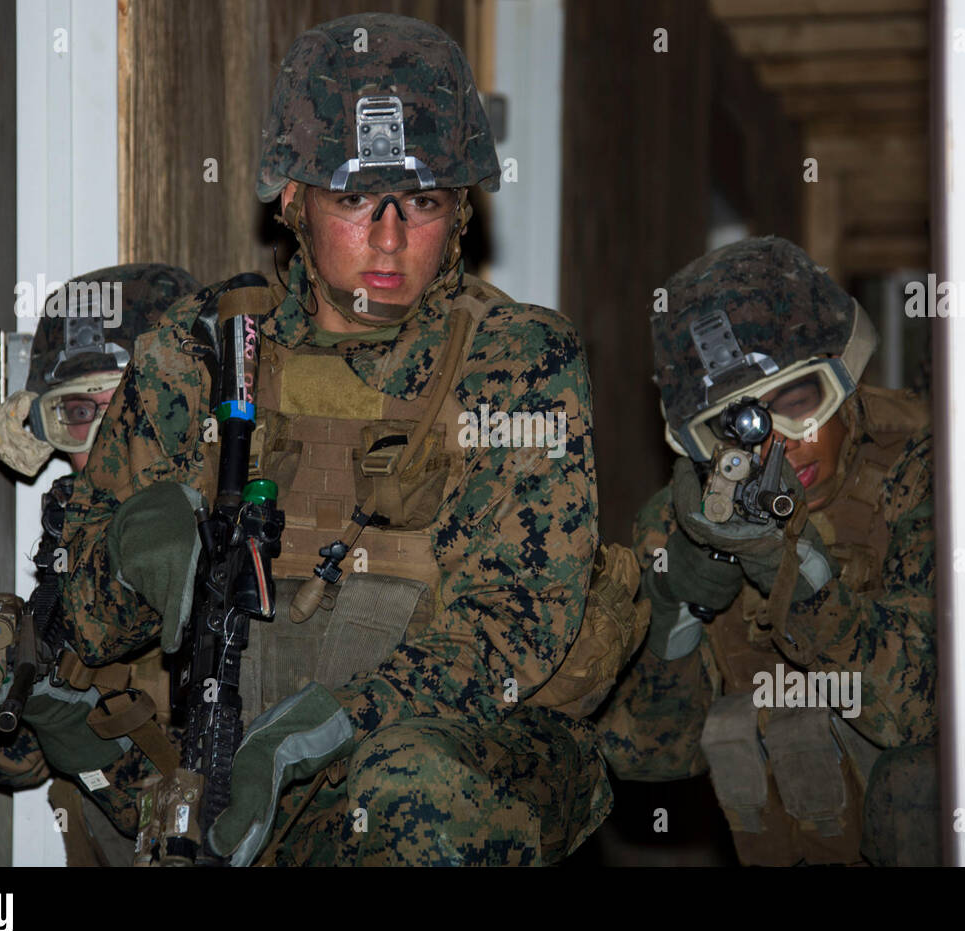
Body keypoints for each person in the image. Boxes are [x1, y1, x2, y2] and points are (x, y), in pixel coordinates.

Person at [54, 13, 643, 866]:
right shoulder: (200, 355)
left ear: (463, 213)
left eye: (426, 202)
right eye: (357, 199)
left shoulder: (516, 362)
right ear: (295, 201)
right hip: (223, 770)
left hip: (425, 761)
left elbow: (514, 628)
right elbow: (77, 623)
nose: (393, 238)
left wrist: (322, 729)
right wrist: (128, 559)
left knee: (413, 790)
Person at [596, 237, 940, 866]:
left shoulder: (933, 469)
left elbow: (917, 714)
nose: (776, 448)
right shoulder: (688, 520)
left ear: (843, 372)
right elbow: (647, 756)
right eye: (737, 426)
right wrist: (679, 611)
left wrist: (796, 572)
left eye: (796, 403)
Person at [0, 263, 201, 866]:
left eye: (123, 409)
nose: (101, 444)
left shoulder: (225, 546)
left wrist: (81, 740)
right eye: (77, 413)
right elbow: (6, 764)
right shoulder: (66, 555)